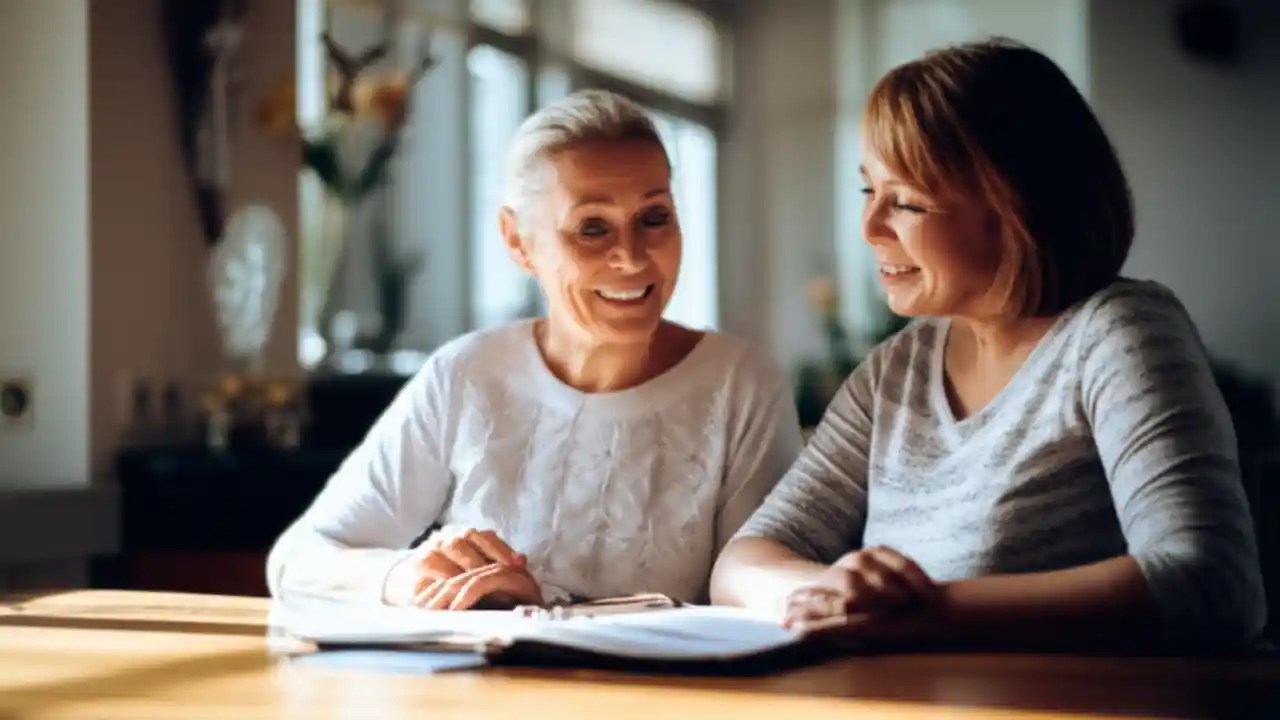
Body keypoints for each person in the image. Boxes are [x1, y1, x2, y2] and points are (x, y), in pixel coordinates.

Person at [711, 39, 1266, 651]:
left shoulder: (1118, 333)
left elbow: (1213, 584)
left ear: (1016, 208)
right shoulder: (897, 367)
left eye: (907, 202)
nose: (869, 229)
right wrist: (824, 594)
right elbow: (742, 562)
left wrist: (929, 612)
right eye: (869, 192)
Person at [268, 90, 802, 610]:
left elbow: (755, 602)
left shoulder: (742, 384)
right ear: (518, 242)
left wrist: (545, 608)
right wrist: (404, 575)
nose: (631, 256)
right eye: (592, 228)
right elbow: (297, 561)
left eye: (654, 217)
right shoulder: (465, 375)